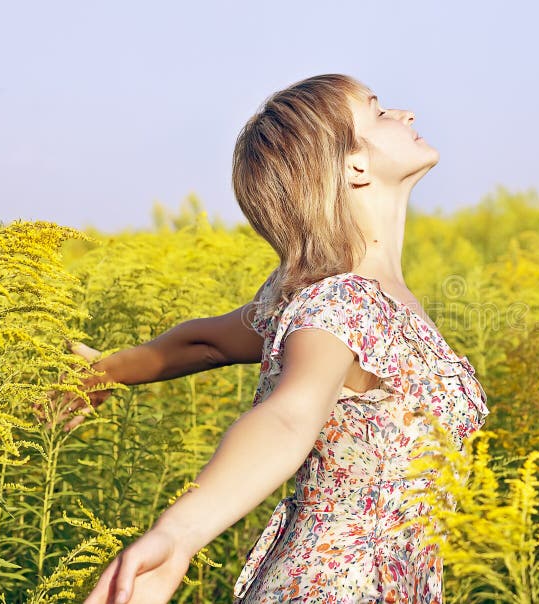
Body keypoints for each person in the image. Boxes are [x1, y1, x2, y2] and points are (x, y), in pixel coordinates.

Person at [64, 73, 489, 603]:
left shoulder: (318, 293)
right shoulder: (340, 301)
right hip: (340, 587)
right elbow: (289, 416)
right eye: (379, 112)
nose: (406, 115)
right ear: (353, 165)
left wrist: (100, 373)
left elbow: (205, 343)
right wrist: (178, 537)